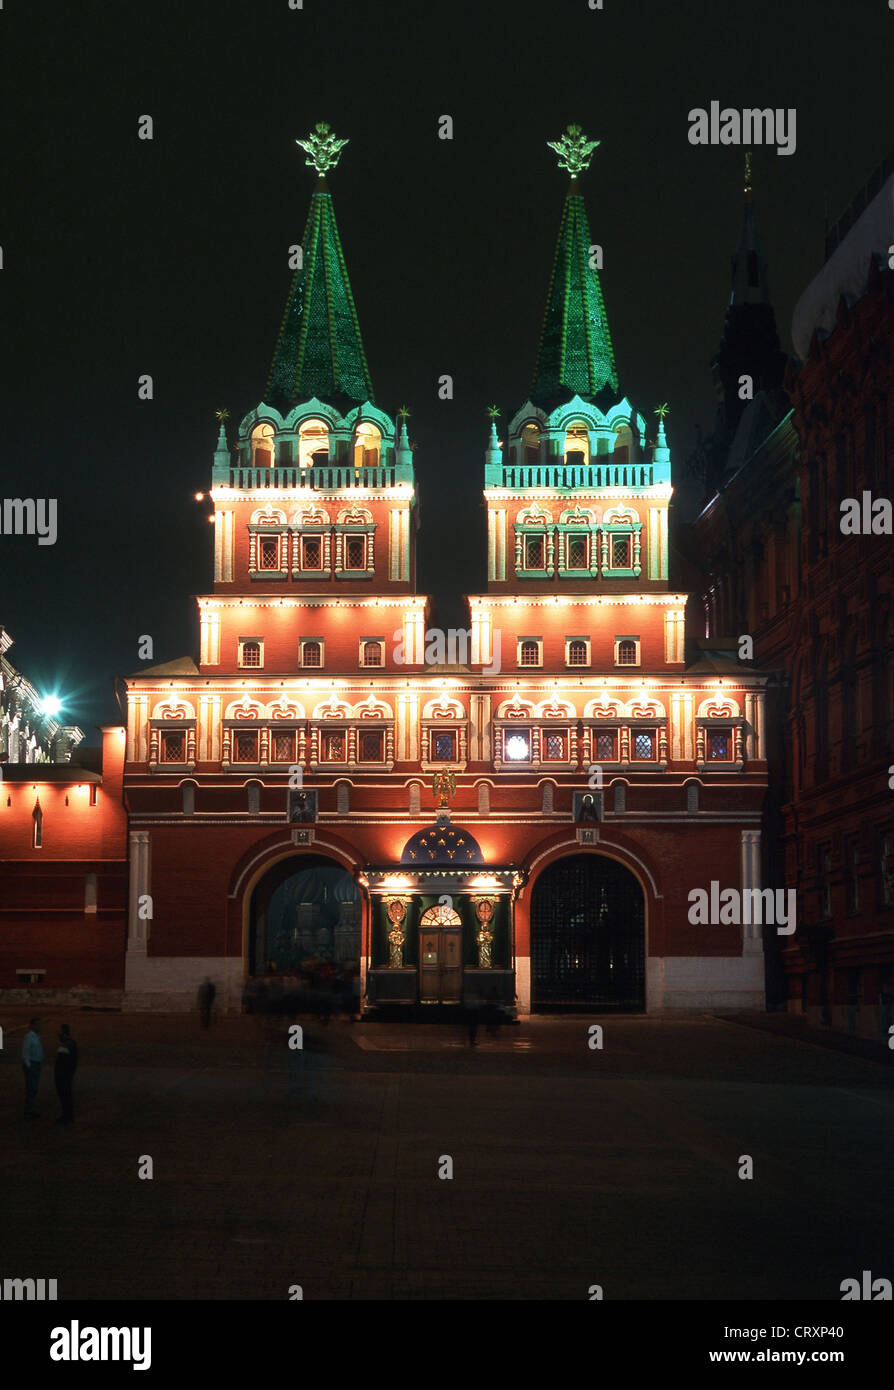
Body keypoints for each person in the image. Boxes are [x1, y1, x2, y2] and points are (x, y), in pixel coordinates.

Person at [54, 1024, 78, 1124]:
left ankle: (67, 1117)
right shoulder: (72, 1043)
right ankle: (68, 1116)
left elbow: (61, 1062)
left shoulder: (65, 1046)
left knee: (64, 1096)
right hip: (68, 1074)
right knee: (67, 1096)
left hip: (63, 1075)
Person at [21, 1017, 43, 1118]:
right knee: (31, 1088)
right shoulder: (30, 1037)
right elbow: (25, 1053)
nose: (40, 1026)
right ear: (33, 1025)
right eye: (38, 1024)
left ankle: (30, 1109)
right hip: (32, 1065)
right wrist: (29, 1066)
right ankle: (29, 1110)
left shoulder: (35, 1036)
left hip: (35, 1064)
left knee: (33, 1088)